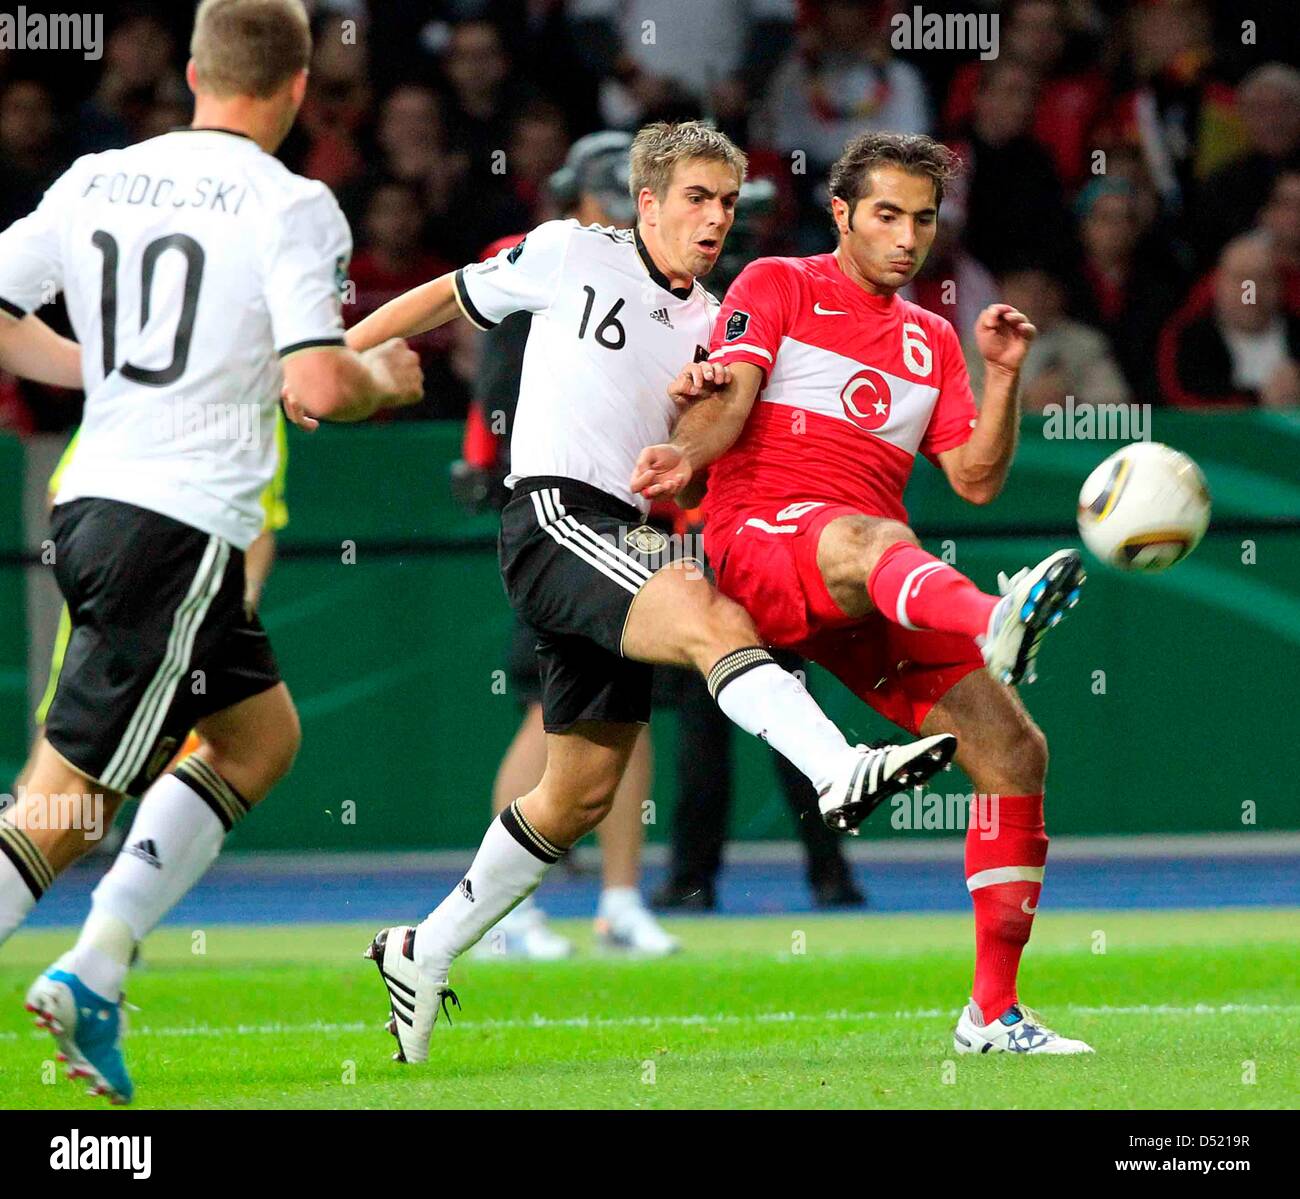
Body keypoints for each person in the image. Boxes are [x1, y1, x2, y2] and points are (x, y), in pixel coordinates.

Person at [338, 120, 956, 1065]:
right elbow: (444, 296)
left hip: (623, 529)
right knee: (716, 617)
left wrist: (710, 401)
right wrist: (343, 356)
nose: (715, 219)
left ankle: (424, 947)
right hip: (553, 512)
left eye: (728, 201)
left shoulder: (718, 320)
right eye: (698, 199)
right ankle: (836, 768)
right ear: (649, 201)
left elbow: (724, 439)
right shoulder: (566, 251)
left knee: (578, 791)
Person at [0, 0, 423, 1105]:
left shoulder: (97, 177)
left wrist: (101, 373)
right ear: (296, 91)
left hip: (95, 500)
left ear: (192, 71)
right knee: (66, 803)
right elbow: (322, 382)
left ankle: (96, 965)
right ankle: (87, 961)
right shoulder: (294, 202)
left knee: (257, 735)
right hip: (175, 523)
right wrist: (388, 377)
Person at [632, 130, 1092, 1055]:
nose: (906, 236)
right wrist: (686, 453)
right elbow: (729, 398)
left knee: (1013, 750)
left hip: (863, 585)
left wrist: (1000, 376)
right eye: (886, 214)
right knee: (873, 534)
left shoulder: (932, 340)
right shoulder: (778, 284)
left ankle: (991, 1014)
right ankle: (995, 615)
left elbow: (974, 477)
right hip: (760, 544)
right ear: (842, 214)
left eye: (923, 220)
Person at [458, 131, 680, 959]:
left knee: (628, 712)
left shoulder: (659, 274)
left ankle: (619, 900)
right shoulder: (552, 258)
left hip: (628, 513)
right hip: (555, 509)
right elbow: (501, 383)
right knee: (547, 715)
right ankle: (503, 909)